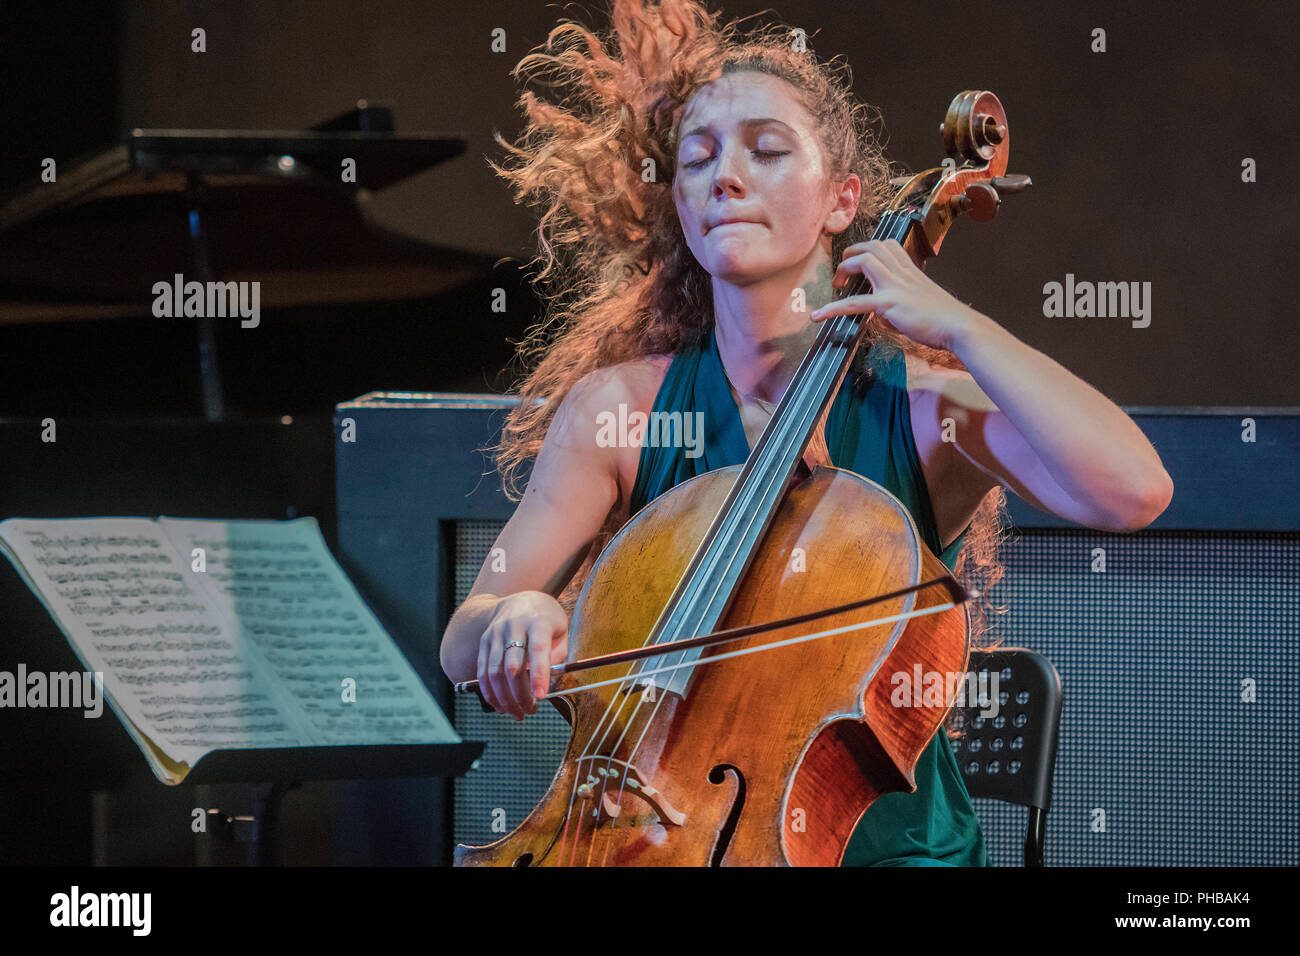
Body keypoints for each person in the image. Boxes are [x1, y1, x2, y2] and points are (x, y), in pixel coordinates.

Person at [439, 0, 1172, 865]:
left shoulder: (925, 411)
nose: (726, 176)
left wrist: (961, 327)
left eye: (768, 150)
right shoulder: (624, 411)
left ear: (842, 200)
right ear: (679, 200)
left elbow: (1133, 491)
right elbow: (464, 637)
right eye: (699, 159)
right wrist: (512, 613)